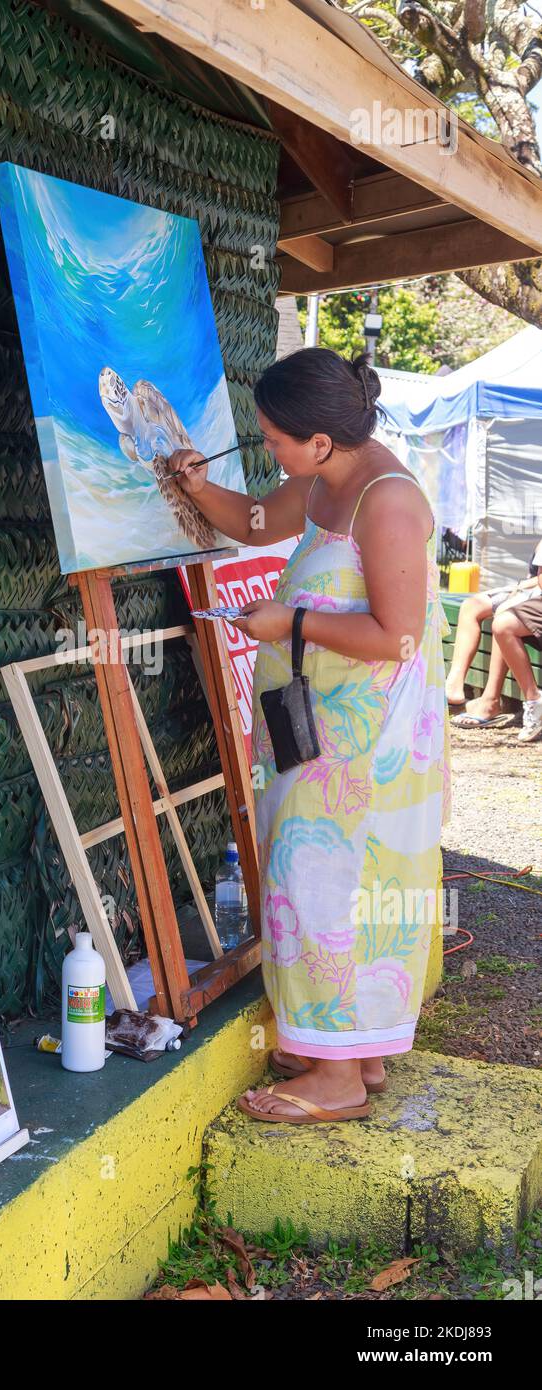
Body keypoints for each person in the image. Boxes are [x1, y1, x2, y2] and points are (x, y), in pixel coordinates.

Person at [168, 347, 449, 1124]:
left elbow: (396, 635)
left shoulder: (386, 502)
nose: (268, 450)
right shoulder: (325, 479)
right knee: (327, 884)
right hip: (326, 729)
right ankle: (353, 1052)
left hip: (368, 744)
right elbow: (258, 521)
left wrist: (288, 622)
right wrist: (197, 486)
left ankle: (336, 1080)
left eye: (274, 439)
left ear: (322, 441)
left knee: (325, 884)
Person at [447, 538, 542, 743]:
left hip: (533, 593)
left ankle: (490, 700)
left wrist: (521, 587)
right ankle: (453, 687)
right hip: (529, 589)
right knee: (470, 605)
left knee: (505, 617)